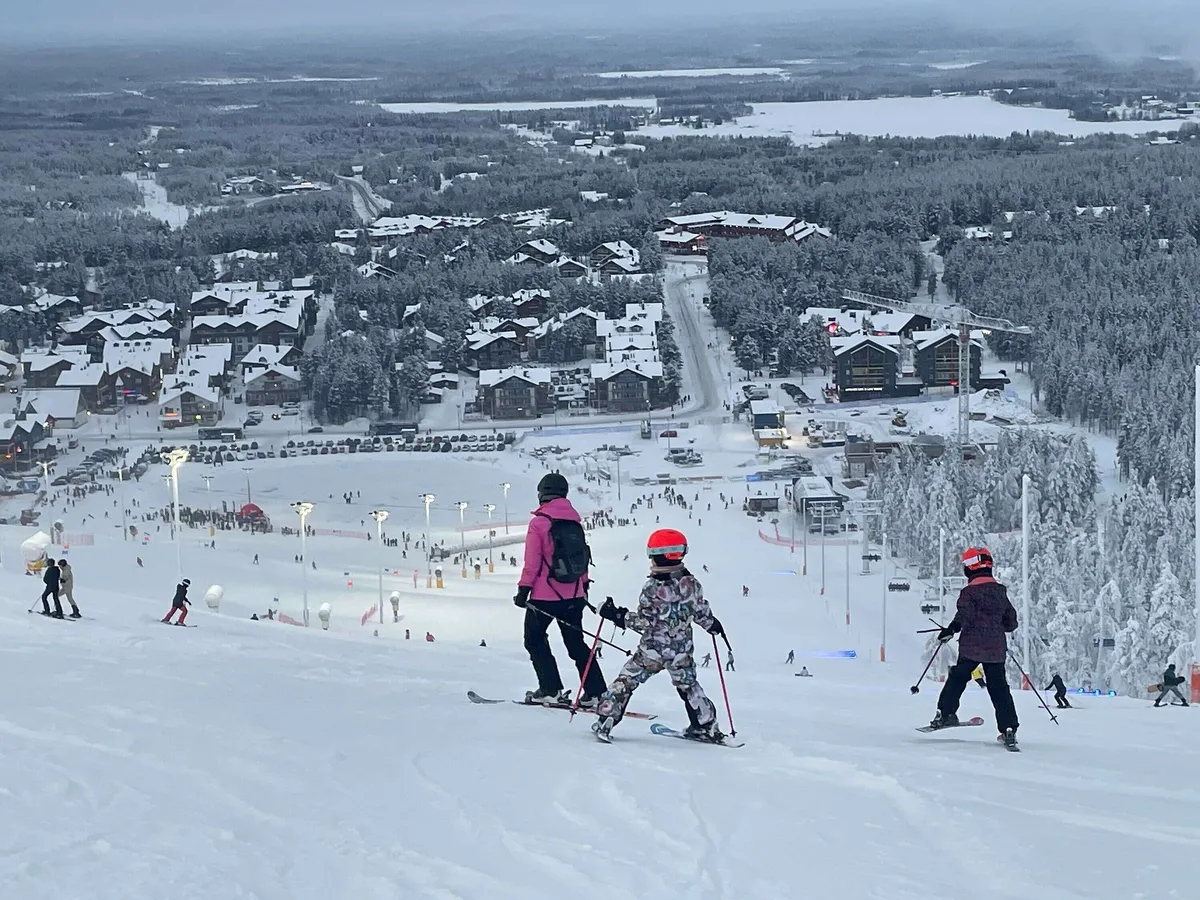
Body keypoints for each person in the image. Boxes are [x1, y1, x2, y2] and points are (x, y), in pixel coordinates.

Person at [594, 529, 725, 741]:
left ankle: (606, 718)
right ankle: (705, 724)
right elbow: (701, 612)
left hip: (652, 650)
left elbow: (645, 622)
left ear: (656, 556)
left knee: (627, 680)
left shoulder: (652, 588)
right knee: (689, 685)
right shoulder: (692, 584)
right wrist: (712, 625)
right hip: (681, 652)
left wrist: (618, 615)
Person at [514, 473, 606, 706]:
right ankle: (596, 693)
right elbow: (582, 558)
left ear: (542, 493)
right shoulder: (574, 522)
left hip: (545, 596)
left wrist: (524, 590)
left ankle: (550, 688)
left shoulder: (539, 523)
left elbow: (532, 562)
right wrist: (583, 586)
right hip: (573, 594)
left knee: (534, 640)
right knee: (576, 644)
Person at [929, 547, 1020, 747]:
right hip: (996, 648)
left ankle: (946, 713)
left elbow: (963, 615)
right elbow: (1011, 623)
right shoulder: (999, 591)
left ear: (971, 567)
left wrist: (951, 630)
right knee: (999, 687)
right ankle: (1008, 728)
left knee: (958, 677)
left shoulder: (969, 592)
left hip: (972, 646)